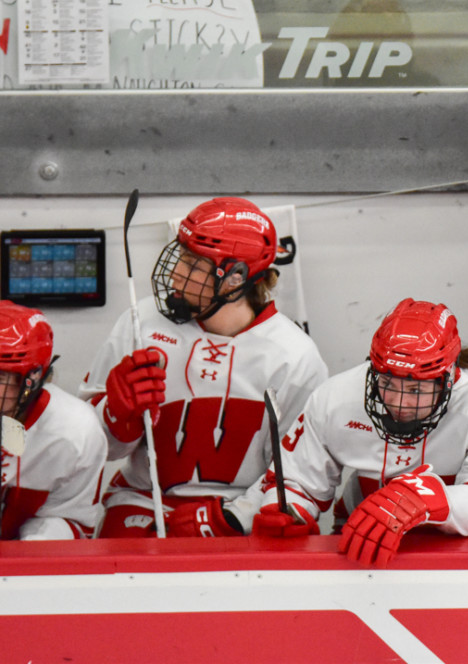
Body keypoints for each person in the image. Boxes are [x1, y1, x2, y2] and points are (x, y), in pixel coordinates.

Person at [81, 197, 328, 537]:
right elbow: (90, 450)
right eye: (181, 256)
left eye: (194, 264)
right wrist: (115, 414)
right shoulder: (141, 323)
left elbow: (298, 472)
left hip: (237, 506)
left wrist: (235, 516)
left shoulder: (294, 356)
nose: (177, 273)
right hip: (142, 498)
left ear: (235, 279)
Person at [251, 298, 468, 567]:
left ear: (448, 378)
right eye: (388, 383)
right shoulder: (336, 397)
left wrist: (425, 497)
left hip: (466, 553)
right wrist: (287, 511)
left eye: (416, 390)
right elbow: (297, 482)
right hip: (362, 543)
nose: (398, 403)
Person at [0, 301, 106, 540]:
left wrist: (25, 566)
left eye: (0, 376)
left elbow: (73, 523)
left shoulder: (75, 431)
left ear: (32, 379)